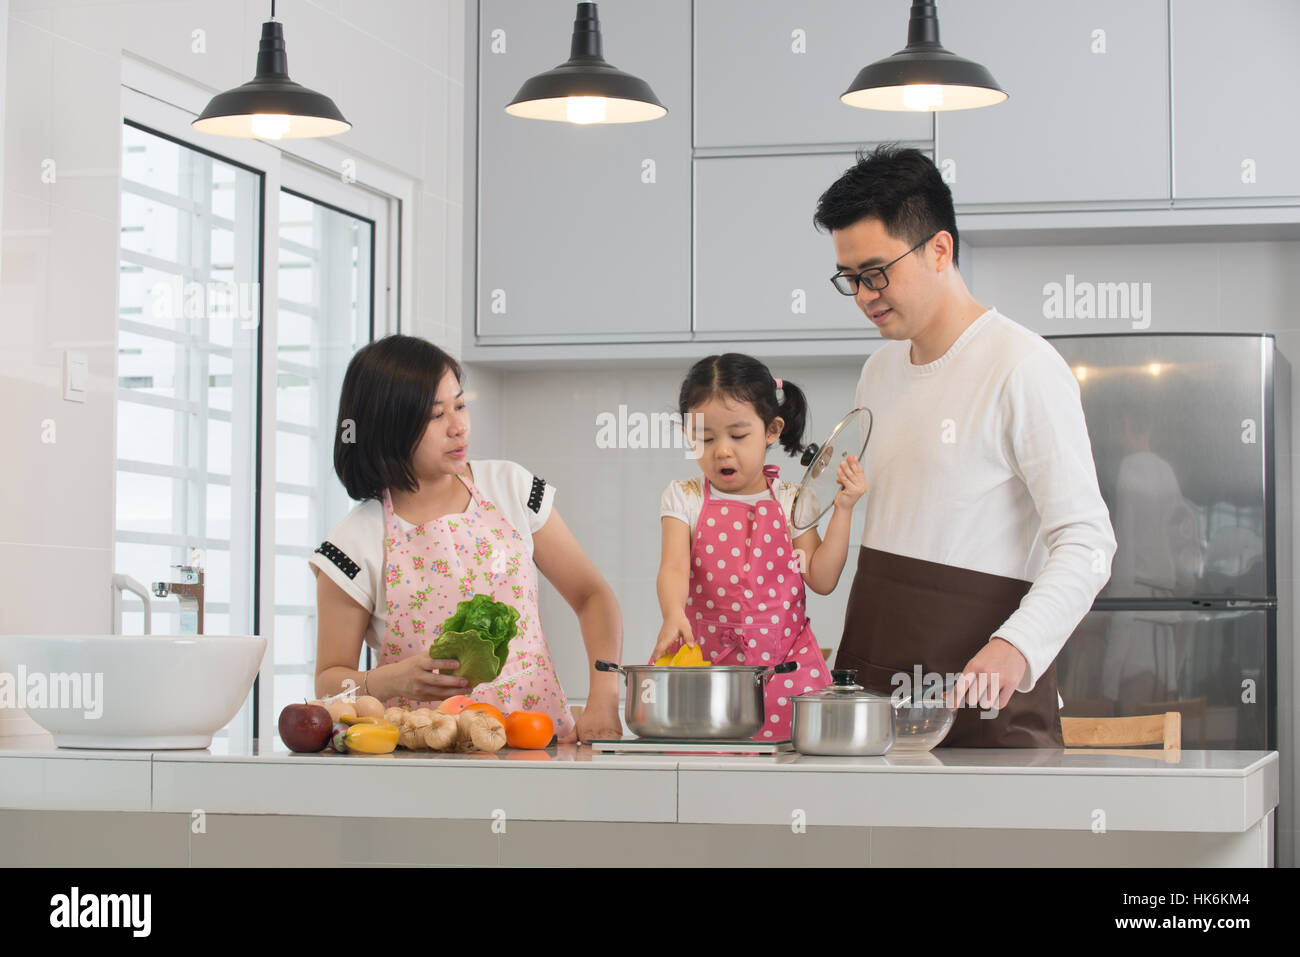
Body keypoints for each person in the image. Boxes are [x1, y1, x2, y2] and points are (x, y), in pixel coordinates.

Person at [816, 145, 1117, 746]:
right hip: (879, 680)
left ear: (940, 249)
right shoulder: (877, 371)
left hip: (985, 695)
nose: (864, 295)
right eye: (850, 279)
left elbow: (1087, 539)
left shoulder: (1023, 366)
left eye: (876, 272)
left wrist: (1014, 647)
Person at [309, 335, 623, 744]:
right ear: (387, 426)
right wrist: (391, 680)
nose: (459, 427)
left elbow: (591, 595)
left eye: (459, 405)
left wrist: (604, 695)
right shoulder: (355, 541)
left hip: (539, 748)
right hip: (426, 762)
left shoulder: (509, 487)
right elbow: (329, 685)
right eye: (435, 415)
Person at [652, 354, 866, 739]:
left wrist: (844, 510)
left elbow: (822, 577)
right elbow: (673, 568)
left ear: (771, 430)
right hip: (704, 667)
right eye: (704, 437)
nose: (721, 450)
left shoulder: (793, 500)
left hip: (785, 669)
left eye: (738, 435)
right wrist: (671, 613)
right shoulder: (684, 498)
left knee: (781, 783)